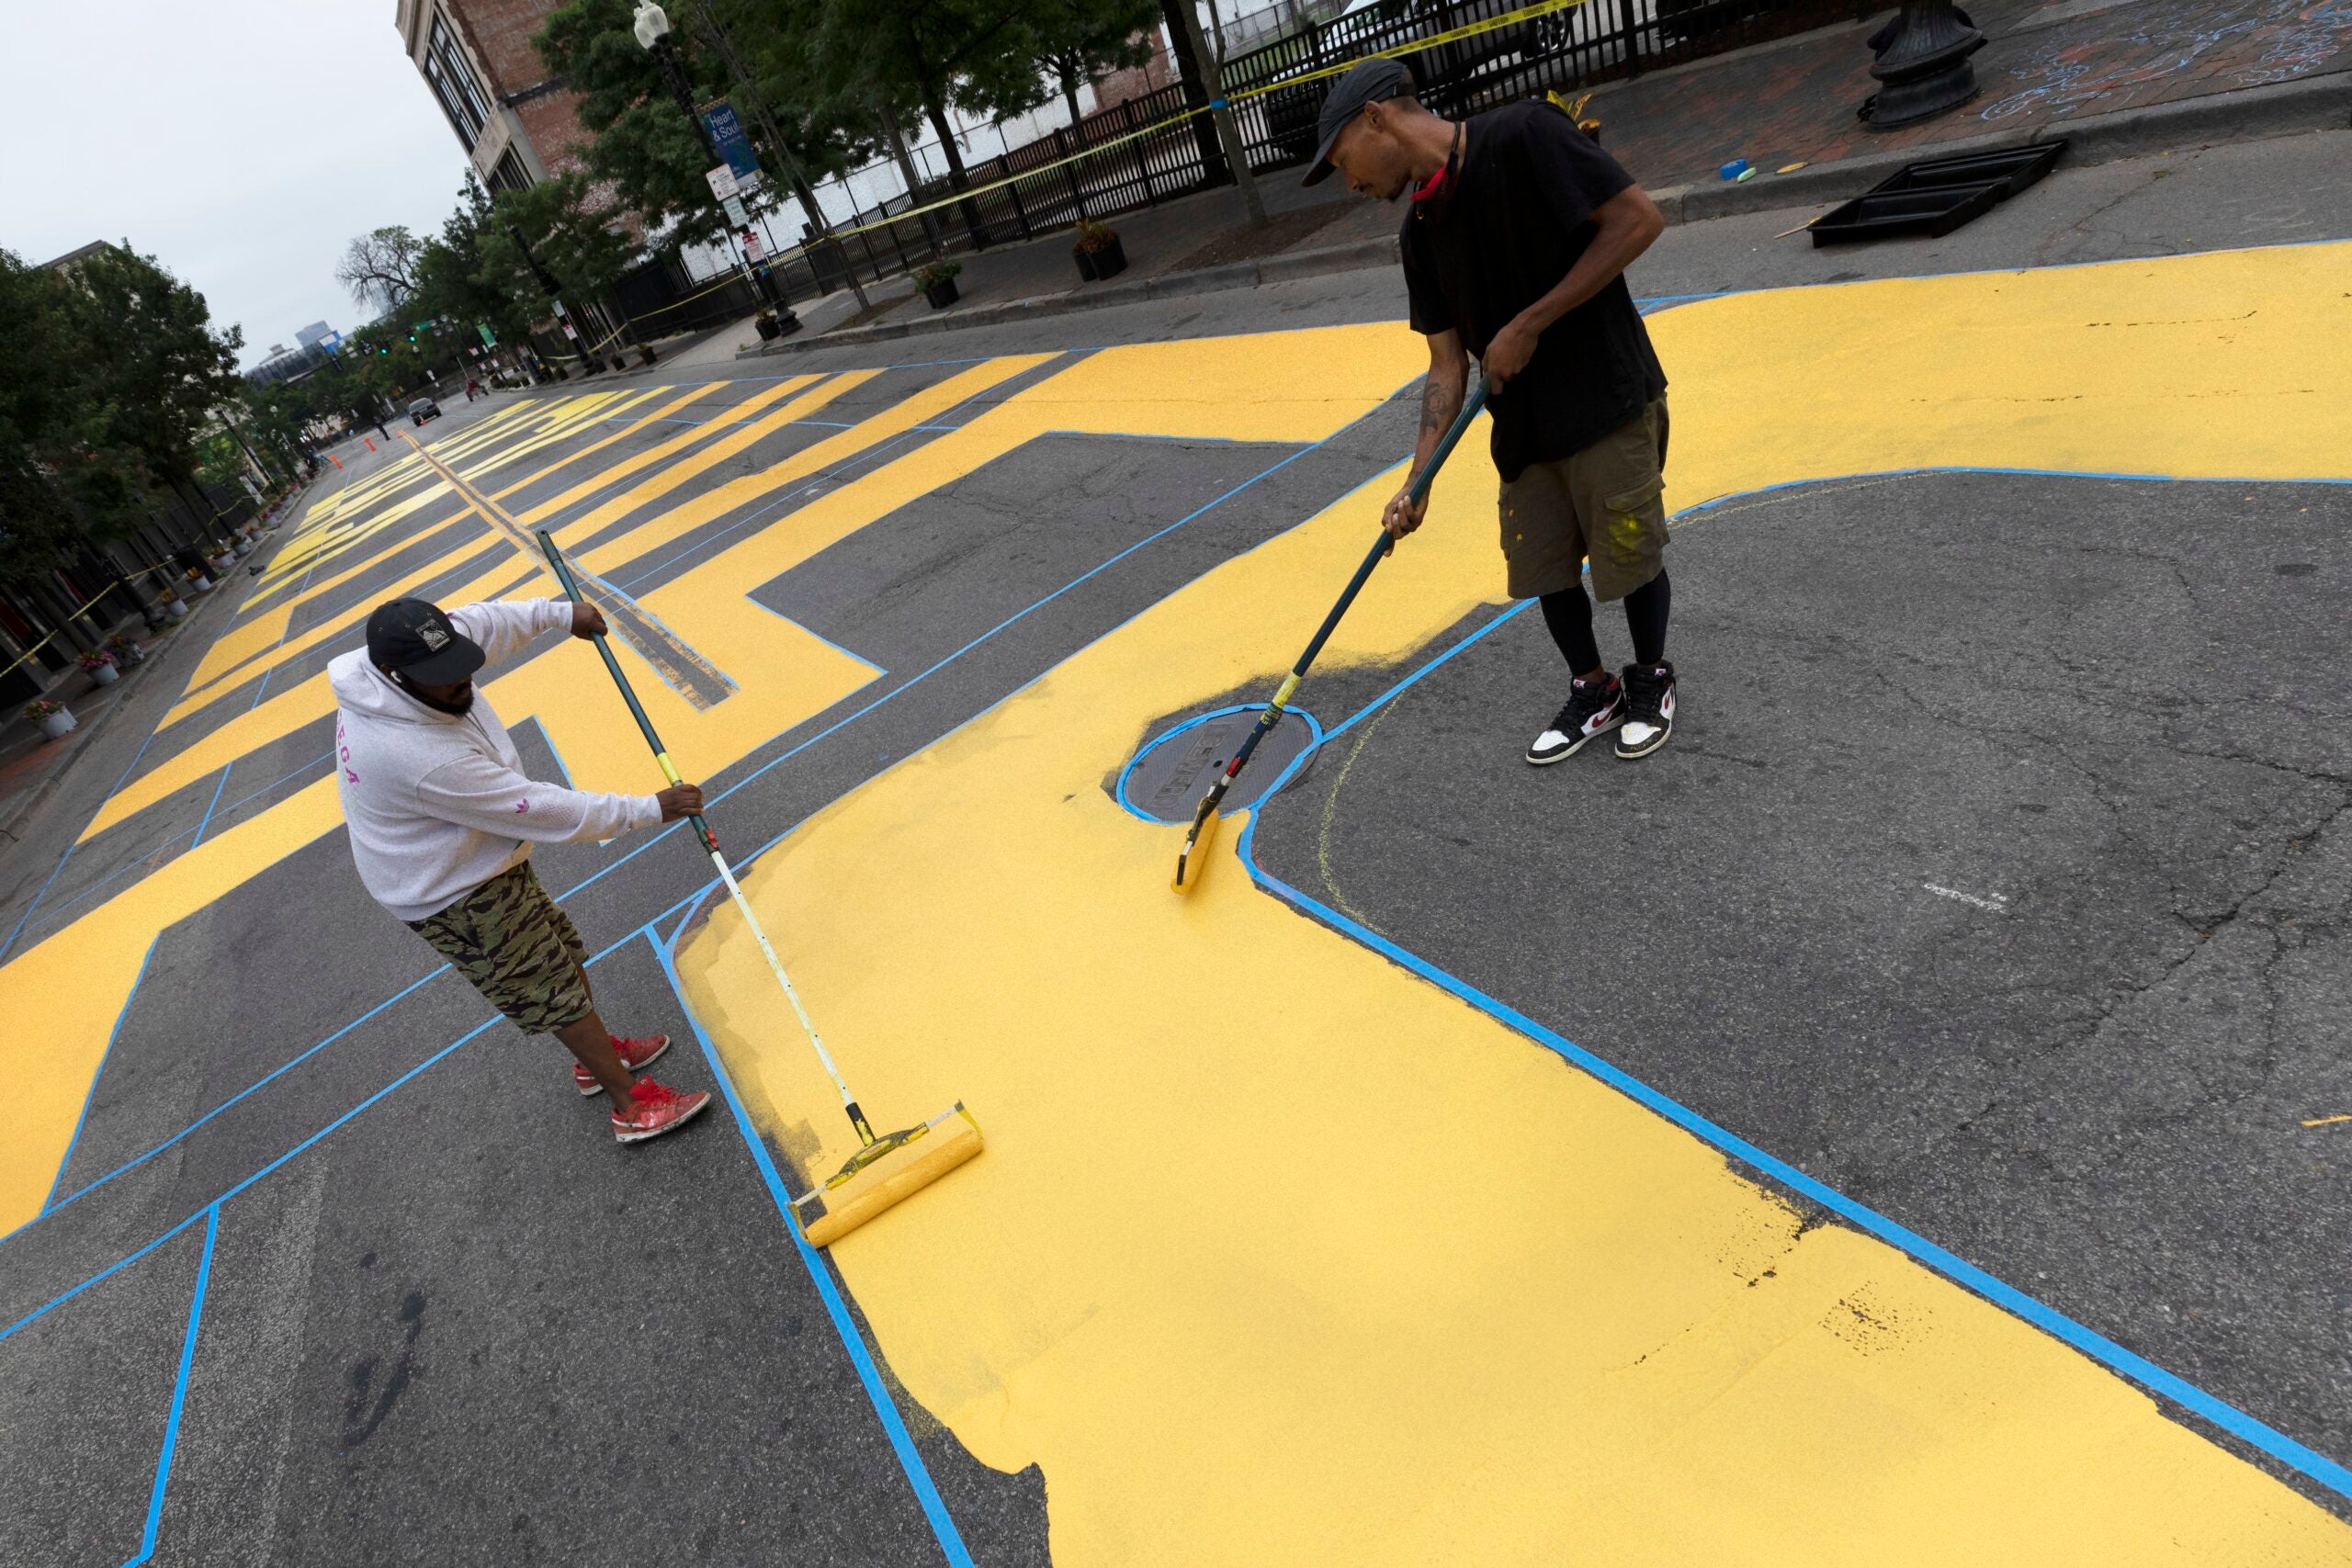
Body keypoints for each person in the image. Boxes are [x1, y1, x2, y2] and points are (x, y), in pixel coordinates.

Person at [1307, 61, 1678, 763]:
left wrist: (1530, 322)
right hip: (1524, 429)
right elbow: (1446, 366)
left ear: (1377, 118)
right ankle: (1592, 688)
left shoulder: (1523, 136)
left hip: (1605, 395)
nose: (1349, 183)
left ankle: (1650, 676)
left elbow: (1638, 220)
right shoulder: (1418, 233)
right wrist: (1417, 482)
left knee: (1628, 554)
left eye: (1342, 161)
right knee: (1544, 566)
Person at [330, 596, 713, 1143]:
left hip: (476, 852)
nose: (461, 680)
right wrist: (650, 809)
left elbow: (485, 622)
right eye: (444, 677)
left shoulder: (412, 658)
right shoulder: (411, 755)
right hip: (446, 887)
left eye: (461, 663)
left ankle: (594, 1060)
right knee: (546, 985)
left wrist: (561, 614)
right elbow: (537, 808)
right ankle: (628, 1106)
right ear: (396, 677)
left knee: (560, 953)